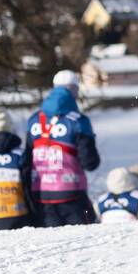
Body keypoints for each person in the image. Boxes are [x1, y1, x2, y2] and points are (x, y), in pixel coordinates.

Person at [24, 70, 100, 226]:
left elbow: (26, 159)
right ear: (73, 90)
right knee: (85, 237)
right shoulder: (78, 121)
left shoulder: (34, 119)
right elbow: (90, 163)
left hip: (40, 193)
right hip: (72, 192)